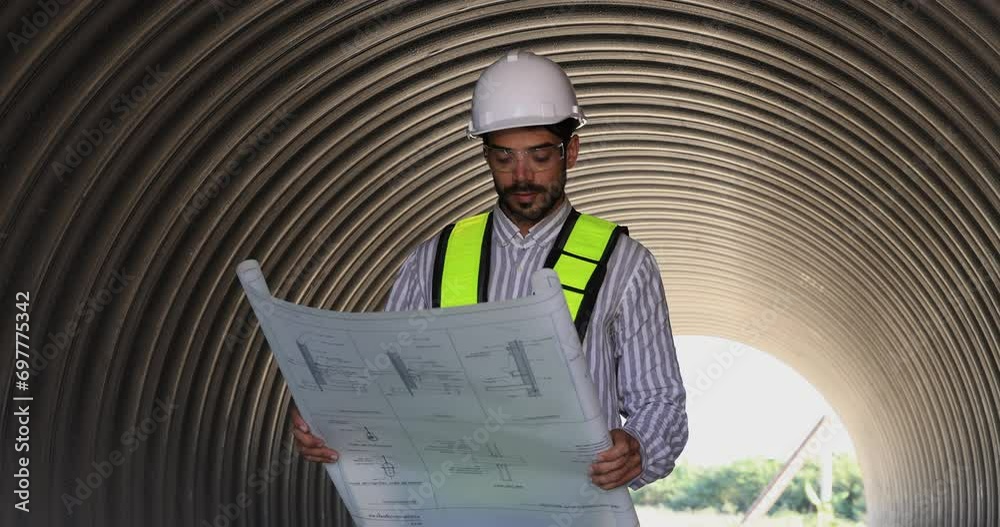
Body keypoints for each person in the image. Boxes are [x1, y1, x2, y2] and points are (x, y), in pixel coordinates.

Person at [291, 49, 687, 491]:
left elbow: (660, 400)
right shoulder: (432, 260)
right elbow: (387, 382)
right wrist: (331, 417)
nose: (521, 176)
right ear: (485, 155)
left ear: (570, 151)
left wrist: (637, 447)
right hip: (457, 503)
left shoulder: (625, 264)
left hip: (575, 507)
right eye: (504, 157)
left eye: (539, 157)